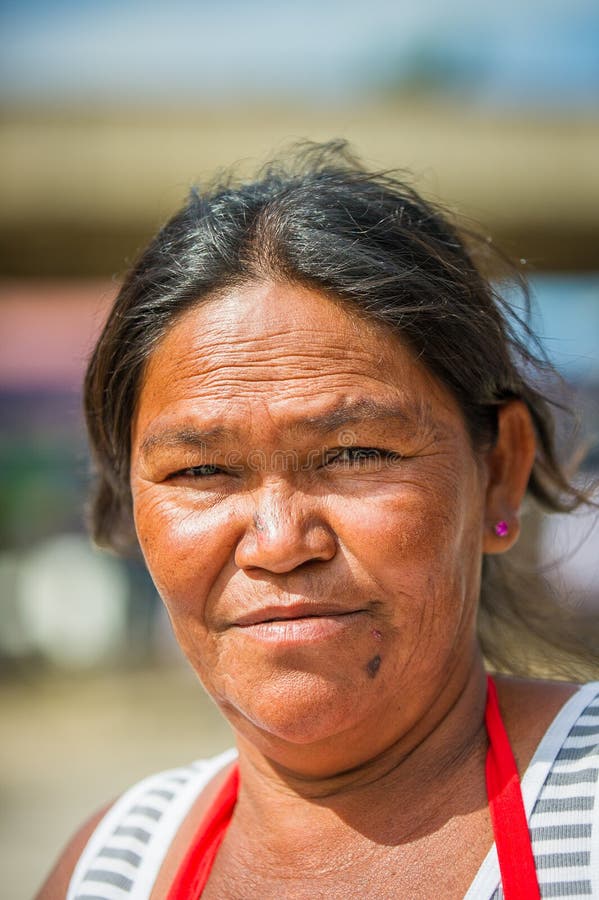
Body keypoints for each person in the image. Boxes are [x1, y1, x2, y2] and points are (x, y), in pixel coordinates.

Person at [37, 141, 599, 899]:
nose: (278, 544)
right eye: (200, 471)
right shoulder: (110, 868)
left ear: (499, 472)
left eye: (356, 454)